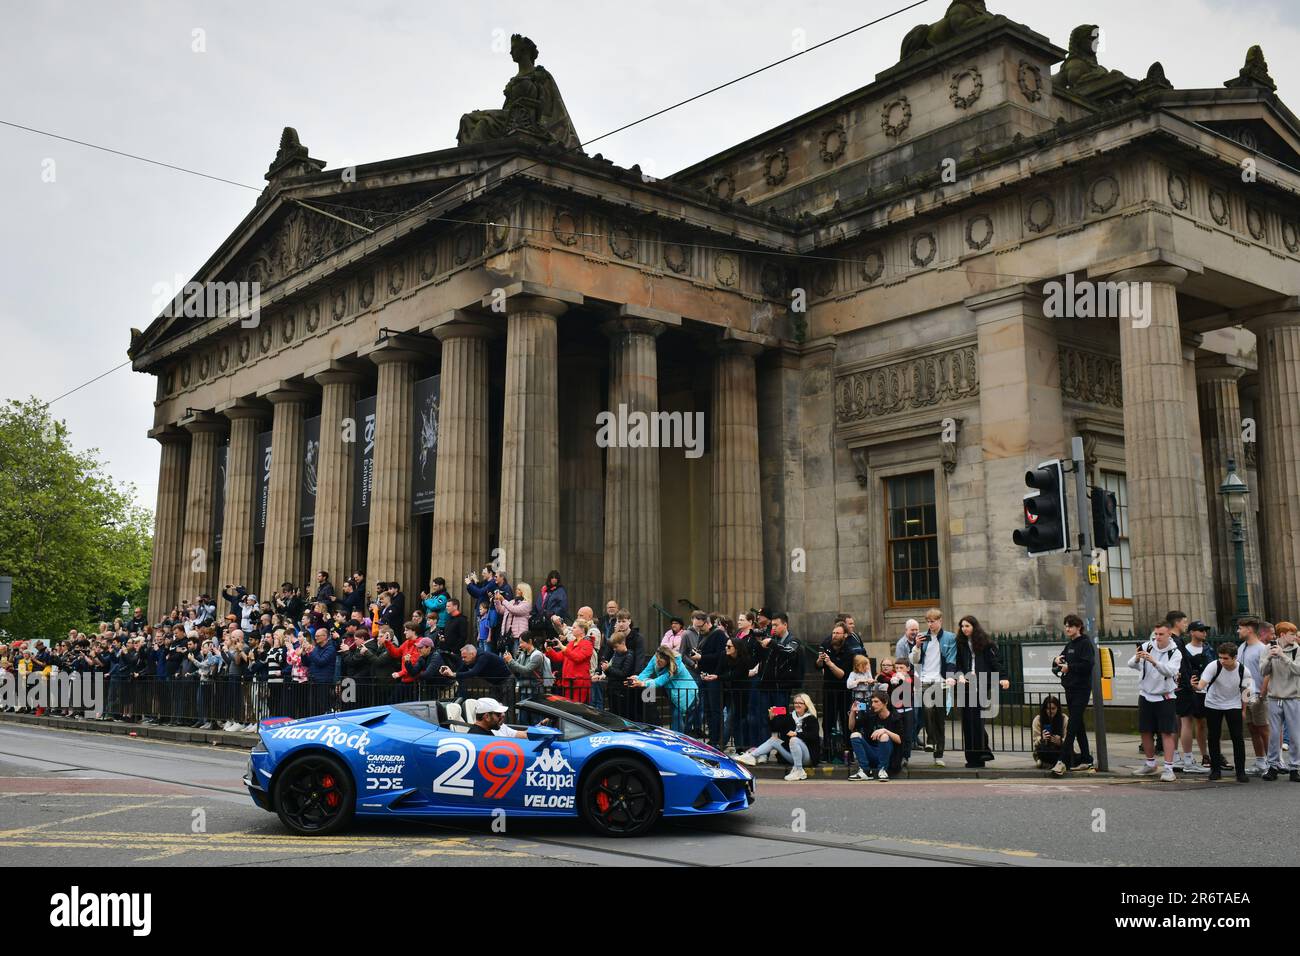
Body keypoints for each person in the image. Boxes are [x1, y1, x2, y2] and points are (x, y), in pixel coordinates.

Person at [1128, 622, 1183, 781]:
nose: (1157, 637)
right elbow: (1131, 664)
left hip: (1165, 696)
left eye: (1161, 634)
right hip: (1146, 695)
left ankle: (1168, 768)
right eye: (1156, 634)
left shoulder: (1175, 653)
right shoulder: (1147, 646)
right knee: (1145, 731)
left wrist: (1154, 661)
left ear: (1169, 635)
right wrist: (1138, 658)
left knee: (1167, 732)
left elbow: (1170, 671)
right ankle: (1150, 764)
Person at [954, 615, 1009, 768]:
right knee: (967, 722)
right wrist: (959, 676)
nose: (964, 629)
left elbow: (996, 662)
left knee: (977, 721)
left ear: (974, 626)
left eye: (967, 626)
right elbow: (956, 664)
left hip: (982, 685)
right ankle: (971, 757)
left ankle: (982, 754)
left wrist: (1003, 677)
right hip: (965, 686)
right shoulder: (959, 643)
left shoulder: (986, 643)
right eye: (962, 626)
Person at [1196, 642, 1255, 782]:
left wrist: (1243, 710)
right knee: (1214, 736)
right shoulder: (1213, 666)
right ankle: (1215, 770)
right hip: (1213, 704)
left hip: (1233, 704)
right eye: (1220, 657)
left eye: (1226, 658)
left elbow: (1246, 692)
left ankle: (1240, 771)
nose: (1222, 660)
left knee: (1237, 738)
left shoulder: (1243, 670)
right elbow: (1202, 683)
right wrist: (1197, 687)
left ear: (1235, 657)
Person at [734, 694, 820, 781]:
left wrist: (796, 734)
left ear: (806, 705)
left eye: (800, 703)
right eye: (795, 703)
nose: (797, 705)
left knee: (794, 740)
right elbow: (775, 728)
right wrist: (772, 717)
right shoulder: (790, 717)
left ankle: (799, 770)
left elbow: (813, 736)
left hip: (808, 757)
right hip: (793, 756)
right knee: (773, 740)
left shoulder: (811, 719)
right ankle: (752, 756)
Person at [1050, 613, 1095, 775]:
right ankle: (1086, 759)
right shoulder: (1070, 644)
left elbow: (1088, 664)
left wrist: (1070, 668)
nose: (1067, 628)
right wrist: (1056, 660)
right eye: (1066, 626)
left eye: (1071, 626)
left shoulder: (1085, 643)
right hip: (1070, 687)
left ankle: (1061, 762)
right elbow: (1062, 659)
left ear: (1079, 627)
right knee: (1079, 725)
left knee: (1072, 725)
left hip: (1081, 689)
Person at [1260, 621, 1300, 782]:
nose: (1295, 636)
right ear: (1283, 634)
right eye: (1292, 634)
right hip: (1274, 697)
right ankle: (1273, 766)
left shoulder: (1297, 649)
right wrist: (1270, 657)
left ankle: (1295, 767)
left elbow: (1298, 670)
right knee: (1274, 735)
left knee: (1296, 735)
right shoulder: (1267, 649)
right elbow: (1263, 671)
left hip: (1293, 697)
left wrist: (1283, 656)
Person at [910, 618, 953, 768]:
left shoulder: (949, 637)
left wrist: (950, 677)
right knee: (927, 709)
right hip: (925, 680)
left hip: (940, 681)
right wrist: (917, 646)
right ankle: (930, 740)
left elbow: (951, 659)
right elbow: (913, 661)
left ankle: (939, 755)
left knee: (939, 719)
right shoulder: (922, 637)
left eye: (933, 621)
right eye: (928, 621)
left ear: (940, 621)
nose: (930, 624)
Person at [628, 645, 698, 734]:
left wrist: (643, 683)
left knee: (679, 722)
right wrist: (638, 679)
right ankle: (677, 740)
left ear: (668, 660)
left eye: (660, 661)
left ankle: (678, 742)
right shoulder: (656, 658)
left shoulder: (677, 665)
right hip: (675, 695)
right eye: (657, 659)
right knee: (677, 721)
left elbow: (661, 681)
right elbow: (646, 672)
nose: (657, 662)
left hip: (688, 694)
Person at [1174, 620, 1215, 773]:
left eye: (1205, 630)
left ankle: (1205, 755)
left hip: (1208, 691)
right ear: (1191, 632)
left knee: (1203, 723)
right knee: (1185, 722)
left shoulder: (1209, 649)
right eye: (1200, 630)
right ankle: (1183, 756)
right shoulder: (1184, 649)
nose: (1204, 633)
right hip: (1191, 690)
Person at [1236, 618, 1271, 776]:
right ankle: (1260, 761)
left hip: (1258, 694)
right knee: (1252, 729)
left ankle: (1273, 762)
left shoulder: (1262, 648)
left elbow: (1267, 673)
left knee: (1263, 729)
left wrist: (1262, 694)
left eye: (1240, 628)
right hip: (1246, 693)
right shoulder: (1241, 648)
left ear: (1249, 630)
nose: (1238, 631)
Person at [817, 624, 857, 762]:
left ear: (844, 635)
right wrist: (820, 660)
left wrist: (830, 664)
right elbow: (817, 666)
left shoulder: (849, 651)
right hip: (828, 689)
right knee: (828, 721)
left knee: (846, 721)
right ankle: (827, 751)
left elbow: (842, 675)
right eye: (833, 632)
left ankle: (848, 751)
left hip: (843, 690)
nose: (834, 635)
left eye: (838, 633)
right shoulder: (826, 644)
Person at [848, 690, 903, 781]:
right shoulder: (871, 716)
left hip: (888, 755)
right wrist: (853, 712)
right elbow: (851, 727)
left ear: (885, 702)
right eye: (872, 702)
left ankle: (882, 770)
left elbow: (899, 739)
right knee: (854, 735)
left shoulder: (895, 717)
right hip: (872, 753)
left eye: (876, 702)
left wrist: (885, 731)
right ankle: (865, 771)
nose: (873, 704)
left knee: (884, 736)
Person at [544, 619, 594, 703]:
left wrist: (563, 647)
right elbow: (558, 657)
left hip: (578, 684)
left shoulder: (587, 644)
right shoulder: (571, 643)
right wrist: (549, 650)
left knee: (577, 710)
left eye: (574, 627)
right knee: (569, 710)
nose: (571, 629)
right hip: (568, 683)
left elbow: (577, 658)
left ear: (582, 630)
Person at [503, 628, 552, 700]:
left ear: (530, 641)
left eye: (522, 642)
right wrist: (508, 662)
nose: (520, 645)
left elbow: (526, 670)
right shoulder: (522, 654)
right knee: (523, 710)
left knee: (532, 711)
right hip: (524, 689)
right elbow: (515, 670)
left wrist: (511, 661)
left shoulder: (537, 655)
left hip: (535, 691)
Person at [1033, 695, 1067, 770]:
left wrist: (1061, 741)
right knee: (1042, 749)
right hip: (1045, 748)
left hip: (1059, 749)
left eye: (1053, 708)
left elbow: (1069, 739)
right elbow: (1035, 741)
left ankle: (1048, 763)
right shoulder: (1038, 719)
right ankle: (1056, 763)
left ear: (1058, 708)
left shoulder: (1064, 718)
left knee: (1071, 755)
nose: (1050, 711)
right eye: (1048, 708)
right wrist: (1042, 738)